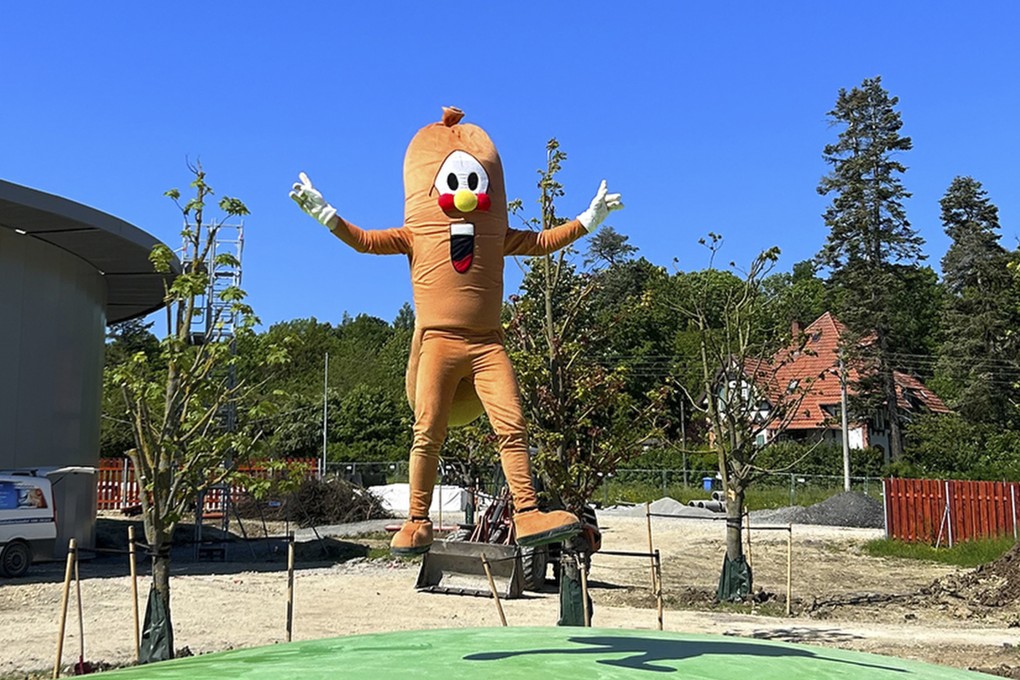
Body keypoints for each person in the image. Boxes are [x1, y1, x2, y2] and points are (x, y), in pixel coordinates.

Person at [291, 107, 623, 555]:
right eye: (454, 182)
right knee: (427, 431)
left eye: (473, 182)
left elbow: (543, 241)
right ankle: (416, 522)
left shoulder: (498, 233)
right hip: (438, 343)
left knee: (513, 425)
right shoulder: (415, 232)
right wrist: (326, 213)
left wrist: (588, 218)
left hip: (489, 344)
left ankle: (526, 514)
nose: (466, 192)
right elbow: (365, 241)